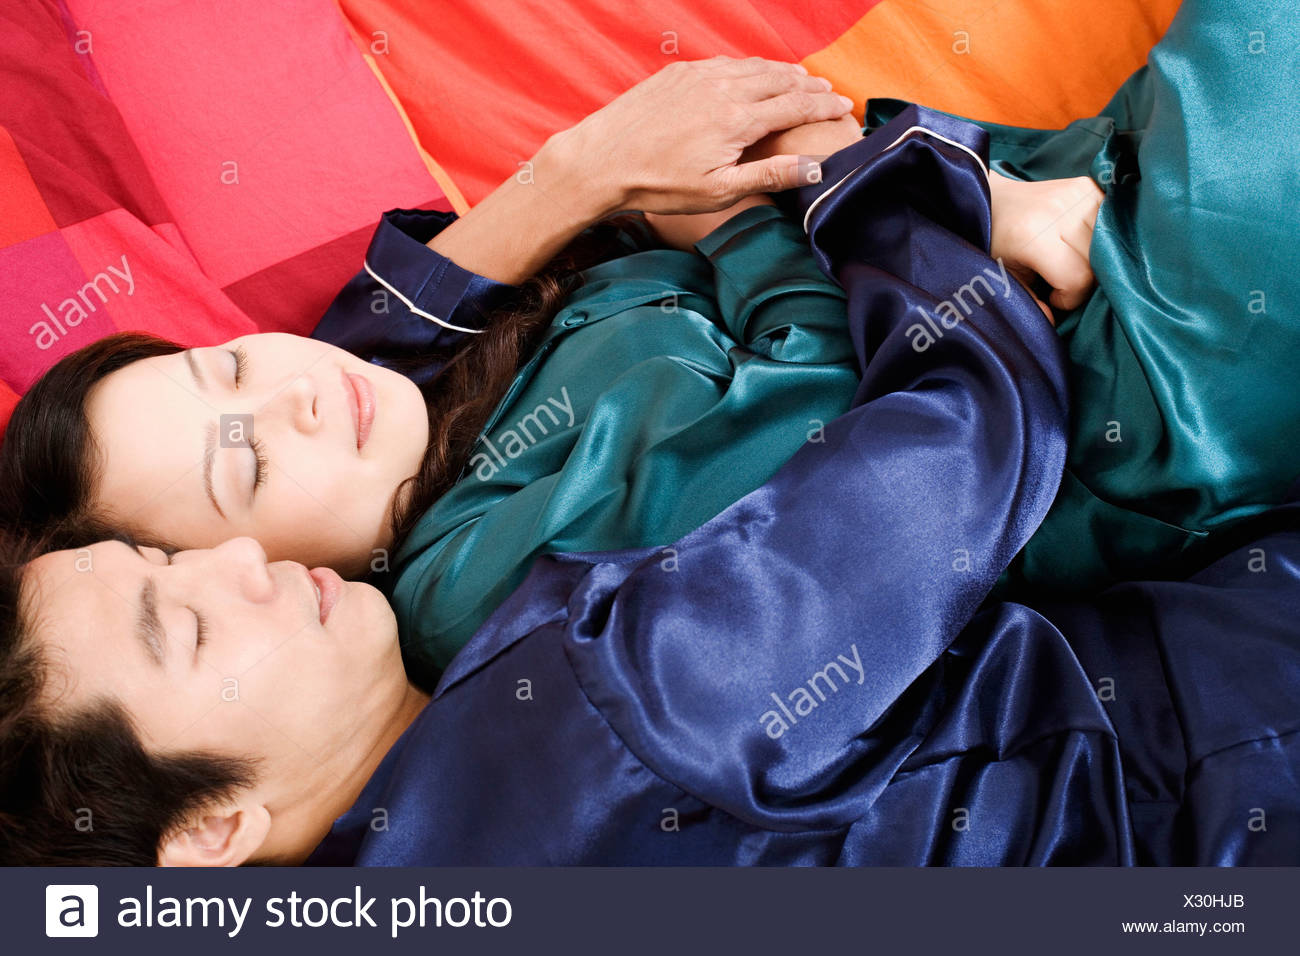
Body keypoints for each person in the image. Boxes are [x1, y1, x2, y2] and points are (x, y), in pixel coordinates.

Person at [6, 107, 1296, 867]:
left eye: (171, 564)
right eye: (178, 617)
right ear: (211, 831)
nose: (239, 570)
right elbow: (969, 428)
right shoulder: (594, 703)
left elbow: (323, 412)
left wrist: (575, 183)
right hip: (1220, 700)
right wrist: (883, 187)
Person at [0, 58, 1097, 683]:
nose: (287, 392)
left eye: (228, 365)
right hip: (1078, 403)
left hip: (1012, 216)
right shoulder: (463, 583)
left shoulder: (431, 396)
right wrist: (755, 219)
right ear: (259, 573)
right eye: (241, 469)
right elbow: (829, 402)